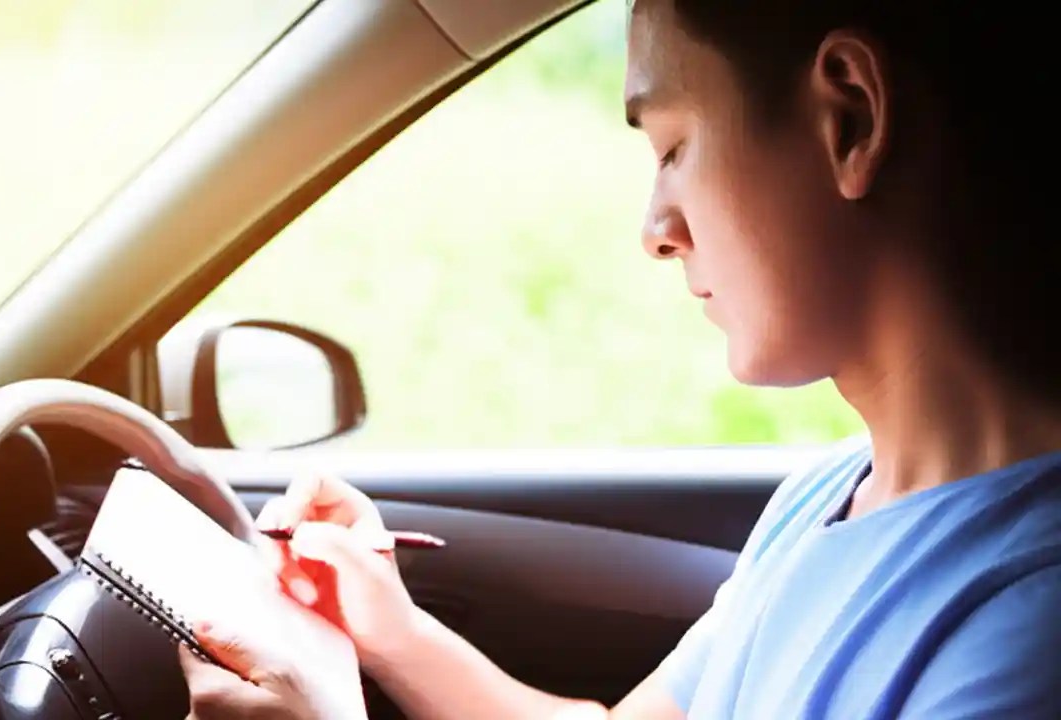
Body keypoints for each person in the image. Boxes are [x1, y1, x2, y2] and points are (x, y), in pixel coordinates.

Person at [179, 0, 1061, 717]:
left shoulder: (1029, 627)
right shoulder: (826, 499)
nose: (655, 232)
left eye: (674, 148)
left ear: (851, 119)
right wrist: (390, 633)